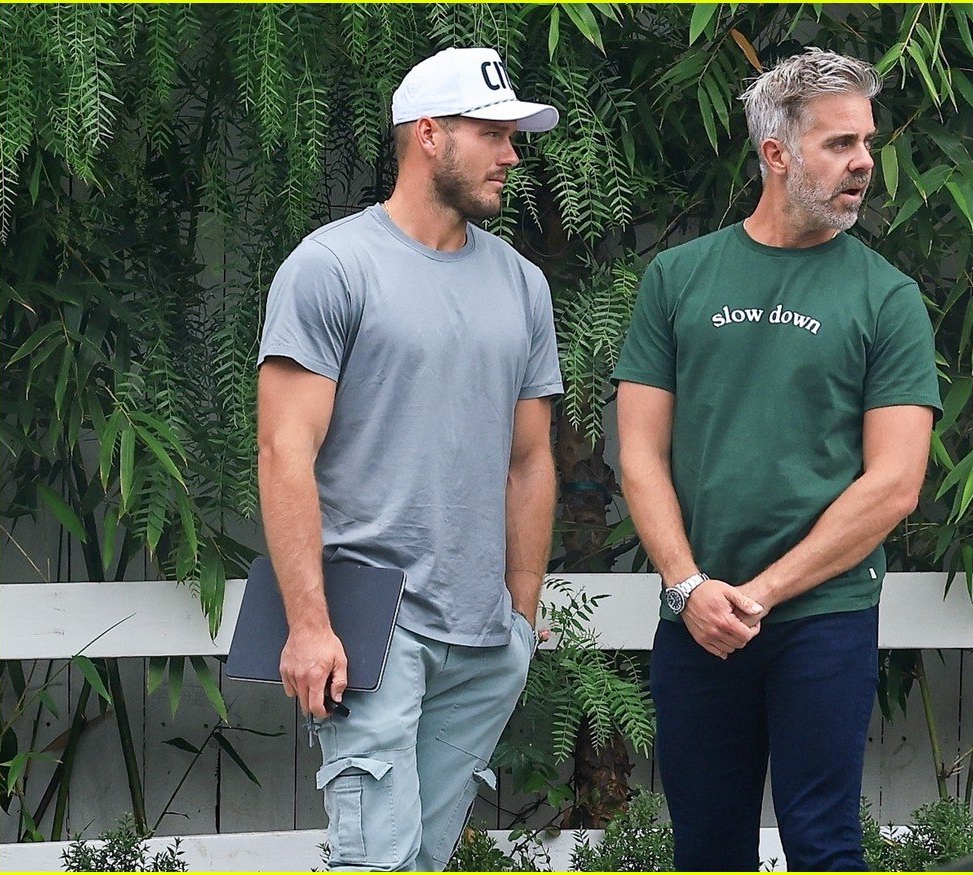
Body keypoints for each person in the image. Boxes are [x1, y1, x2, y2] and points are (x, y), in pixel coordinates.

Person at [613, 48, 942, 871]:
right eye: (839, 144)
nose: (864, 161)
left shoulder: (886, 297)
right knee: (706, 848)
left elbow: (896, 484)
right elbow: (639, 453)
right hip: (695, 621)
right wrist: (690, 588)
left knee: (824, 844)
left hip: (821, 619)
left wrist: (753, 595)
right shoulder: (678, 277)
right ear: (776, 154)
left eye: (867, 142)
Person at [256, 47, 562, 872]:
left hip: (482, 632)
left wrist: (522, 621)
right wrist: (309, 622)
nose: (511, 155)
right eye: (493, 134)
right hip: (369, 627)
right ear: (428, 134)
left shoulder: (523, 285)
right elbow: (285, 450)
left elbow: (530, 460)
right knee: (378, 859)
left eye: (514, 136)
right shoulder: (331, 267)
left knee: (424, 857)